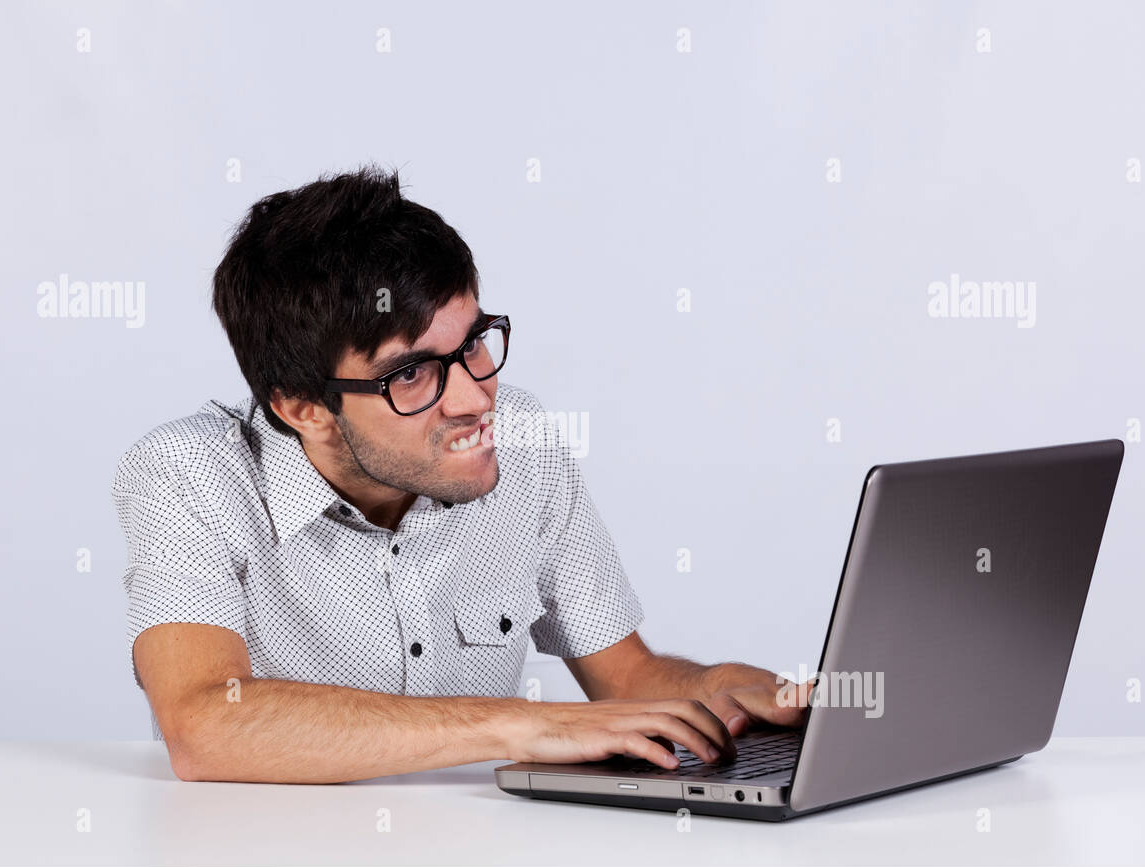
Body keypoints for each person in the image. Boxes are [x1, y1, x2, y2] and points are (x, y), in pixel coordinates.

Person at [111, 163, 809, 784]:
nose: (477, 397)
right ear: (302, 409)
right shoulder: (186, 474)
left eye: (474, 342)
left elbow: (627, 677)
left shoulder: (525, 443)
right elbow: (204, 726)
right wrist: (520, 724)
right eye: (412, 374)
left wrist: (715, 690)